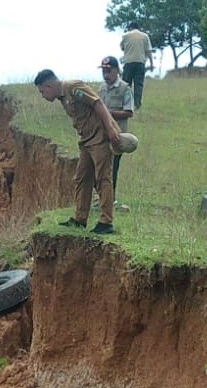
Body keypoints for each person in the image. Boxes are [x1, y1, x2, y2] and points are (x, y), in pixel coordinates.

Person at [33, 68, 137, 235]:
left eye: (42, 91)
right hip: (86, 141)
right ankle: (80, 219)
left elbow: (97, 103)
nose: (42, 95)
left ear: (49, 85)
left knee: (103, 178)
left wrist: (110, 129)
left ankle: (106, 222)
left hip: (100, 138)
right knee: (81, 178)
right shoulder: (62, 97)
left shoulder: (73, 87)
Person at [99, 56, 135, 210]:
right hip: (101, 135)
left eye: (109, 71)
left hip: (117, 135)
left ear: (117, 71)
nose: (106, 75)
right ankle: (102, 199)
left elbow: (129, 111)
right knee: (101, 168)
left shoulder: (125, 88)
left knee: (113, 169)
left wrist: (107, 113)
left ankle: (110, 201)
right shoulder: (101, 89)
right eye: (104, 71)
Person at [120, 22, 154, 109]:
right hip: (140, 63)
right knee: (138, 85)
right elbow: (149, 51)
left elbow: (122, 47)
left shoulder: (125, 35)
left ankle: (126, 104)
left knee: (126, 84)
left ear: (130, 28)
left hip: (128, 63)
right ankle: (137, 104)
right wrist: (151, 64)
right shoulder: (145, 36)